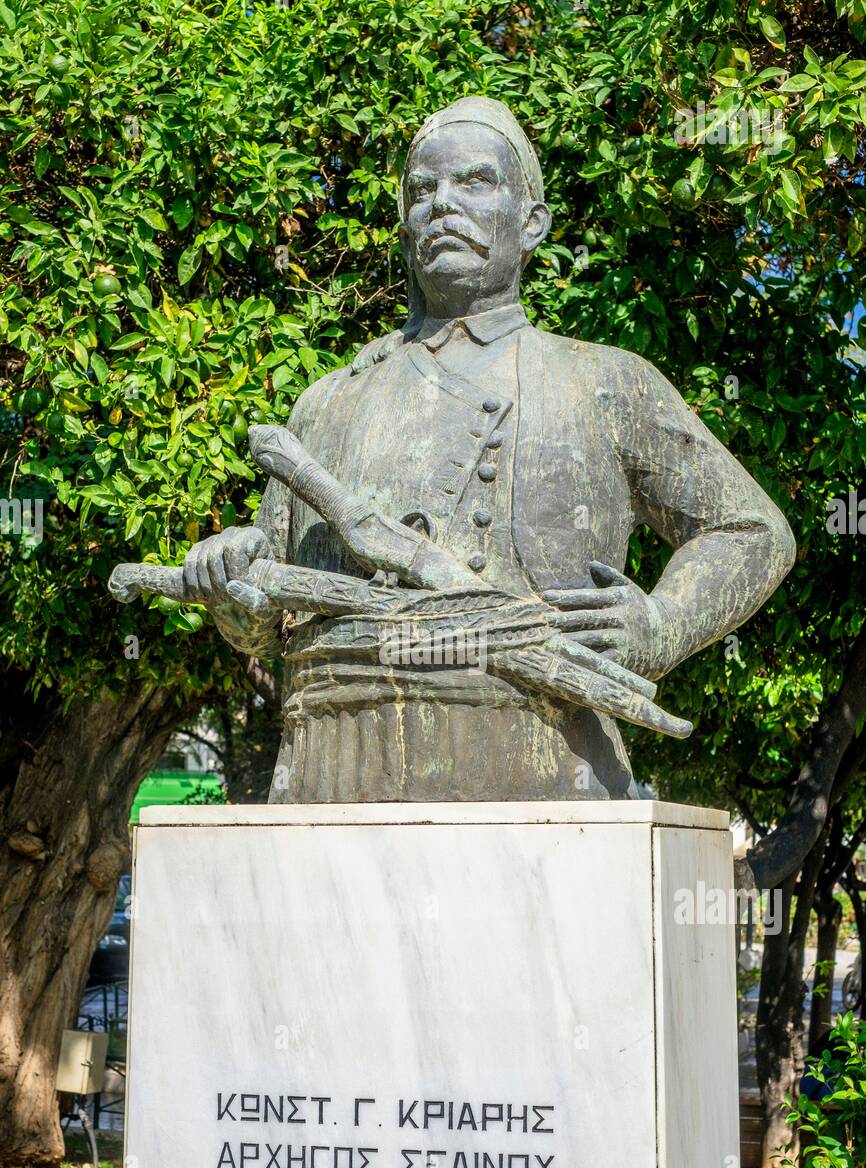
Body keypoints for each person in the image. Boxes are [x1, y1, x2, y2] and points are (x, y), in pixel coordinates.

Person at [180, 97, 796, 803]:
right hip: (335, 764)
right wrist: (227, 581)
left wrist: (659, 624)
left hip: (541, 762)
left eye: (474, 182)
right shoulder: (328, 402)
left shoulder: (603, 379)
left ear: (532, 223)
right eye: (422, 191)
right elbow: (264, 619)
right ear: (406, 227)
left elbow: (751, 531)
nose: (443, 204)